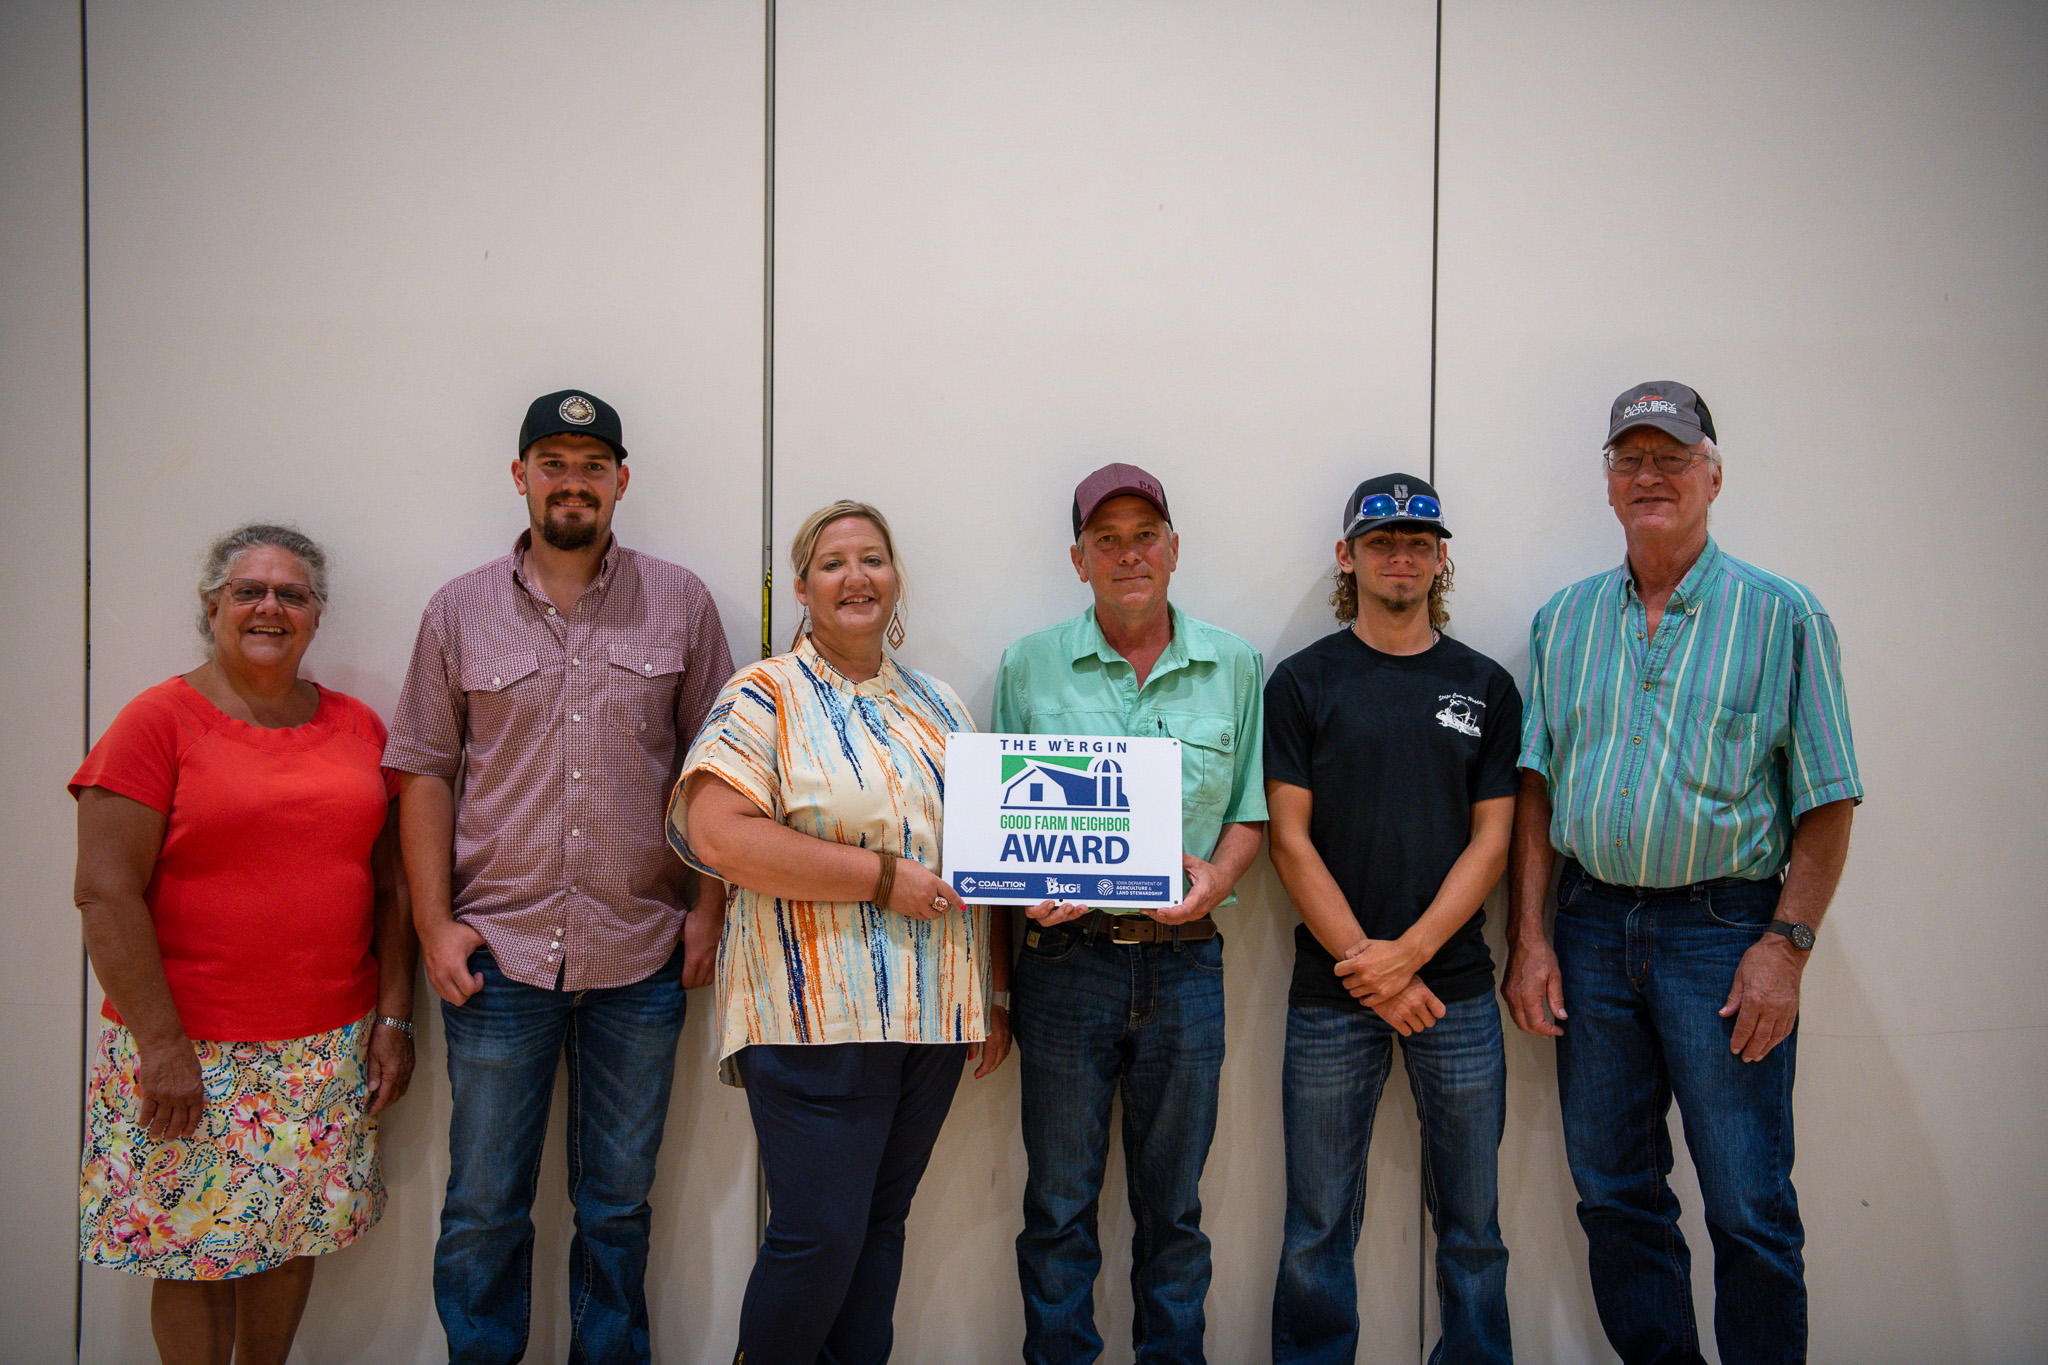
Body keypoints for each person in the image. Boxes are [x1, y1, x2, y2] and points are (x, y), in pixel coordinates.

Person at [1503, 382, 1862, 1365]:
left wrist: (1783, 948)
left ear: (1713, 474)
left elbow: (1826, 798)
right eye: (1629, 459)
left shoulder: (1781, 616)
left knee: (1746, 1204)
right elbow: (1535, 789)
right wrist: (1530, 938)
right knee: (1615, 1194)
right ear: (1607, 484)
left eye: (1670, 457)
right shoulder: (1563, 620)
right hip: (1584, 928)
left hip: (1723, 933)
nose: (1649, 476)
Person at [384, 389, 734, 1365]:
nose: (571, 480)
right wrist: (432, 923)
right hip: (493, 960)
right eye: (552, 462)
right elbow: (421, 769)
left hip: (642, 958)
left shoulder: (682, 602)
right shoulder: (457, 609)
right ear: (520, 477)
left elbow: (721, 769)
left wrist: (707, 909)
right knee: (484, 1209)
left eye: (591, 464)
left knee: (617, 1209)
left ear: (620, 481)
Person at [673, 499, 1009, 1365]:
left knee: (878, 1232)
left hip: (933, 1016)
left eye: (873, 559)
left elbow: (986, 856)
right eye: (833, 563)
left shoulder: (941, 705)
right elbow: (719, 836)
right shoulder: (764, 694)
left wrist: (995, 988)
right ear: (801, 587)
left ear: (896, 579)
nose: (855, 577)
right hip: (813, 1014)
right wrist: (882, 877)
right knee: (818, 1237)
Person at [71, 523, 415, 1365]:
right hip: (188, 1045)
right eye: (249, 591)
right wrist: (161, 1045)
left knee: (286, 1234)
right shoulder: (157, 721)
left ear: (316, 615)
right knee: (185, 1246)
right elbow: (104, 890)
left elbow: (391, 886)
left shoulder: (359, 727)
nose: (270, 607)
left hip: (322, 1047)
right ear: (212, 606)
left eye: (291, 593)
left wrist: (395, 1020)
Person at [997, 463, 1267, 1365]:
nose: (1128, 554)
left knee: (1175, 1215)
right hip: (1062, 967)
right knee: (1059, 1208)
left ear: (1175, 548)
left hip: (1187, 964)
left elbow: (1251, 812)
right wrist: (1001, 972)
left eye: (1144, 534)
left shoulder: (1233, 663)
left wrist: (1215, 874)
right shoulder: (1027, 664)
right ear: (1078, 560)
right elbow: (1001, 828)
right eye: (1105, 539)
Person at [1266, 474, 1519, 1364]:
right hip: (1332, 995)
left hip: (1453, 993)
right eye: (1380, 541)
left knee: (1474, 1228)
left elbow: (1493, 843)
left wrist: (1405, 959)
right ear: (1349, 556)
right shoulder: (1301, 683)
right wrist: (1366, 968)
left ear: (1441, 556)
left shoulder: (1485, 684)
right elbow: (1289, 843)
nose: (1400, 553)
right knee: (1315, 1228)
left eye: (1418, 539)